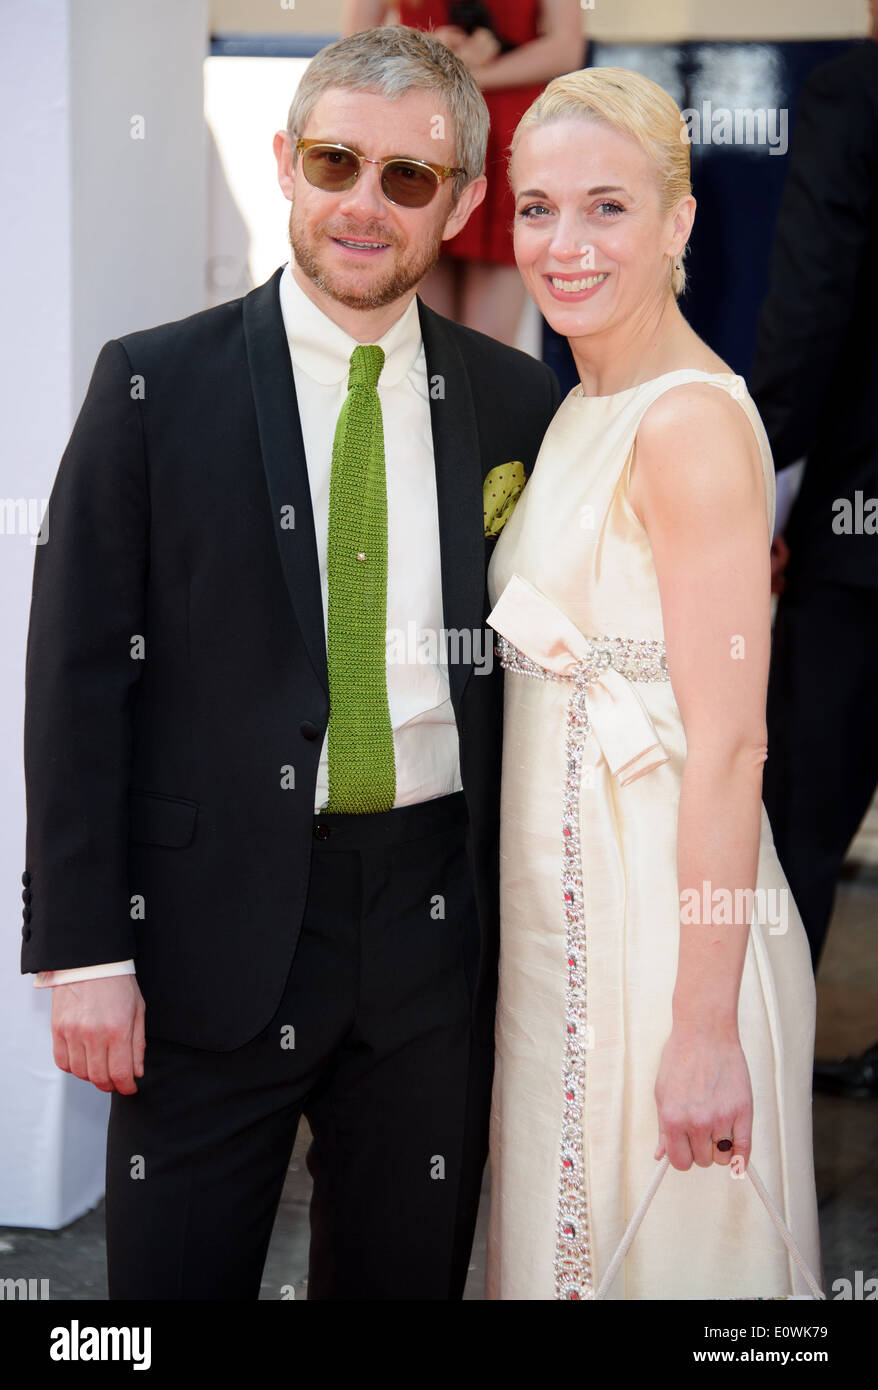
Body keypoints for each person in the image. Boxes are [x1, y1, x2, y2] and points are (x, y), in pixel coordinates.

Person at [21, 27, 560, 1300]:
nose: (363, 205)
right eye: (335, 162)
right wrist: (85, 954)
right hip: (205, 934)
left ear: (464, 201)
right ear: (285, 164)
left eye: (407, 178)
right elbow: (76, 678)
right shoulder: (152, 385)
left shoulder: (519, 406)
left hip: (432, 929)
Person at [484, 67, 822, 1298]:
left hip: (661, 936)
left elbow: (731, 746)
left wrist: (699, 1026)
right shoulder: (579, 404)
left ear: (678, 224)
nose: (561, 246)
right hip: (555, 922)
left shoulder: (685, 422)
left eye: (605, 209)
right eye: (535, 208)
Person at [749, 18, 878, 1098]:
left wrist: (756, 495)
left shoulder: (852, 95)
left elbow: (807, 311)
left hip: (855, 540)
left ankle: (762, 1072)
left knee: (802, 823)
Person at [342, 1, 584, 346]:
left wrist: (456, 74)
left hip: (506, 138)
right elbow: (357, 43)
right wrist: (426, 49)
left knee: (487, 346)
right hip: (424, 125)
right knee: (419, 336)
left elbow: (564, 50)